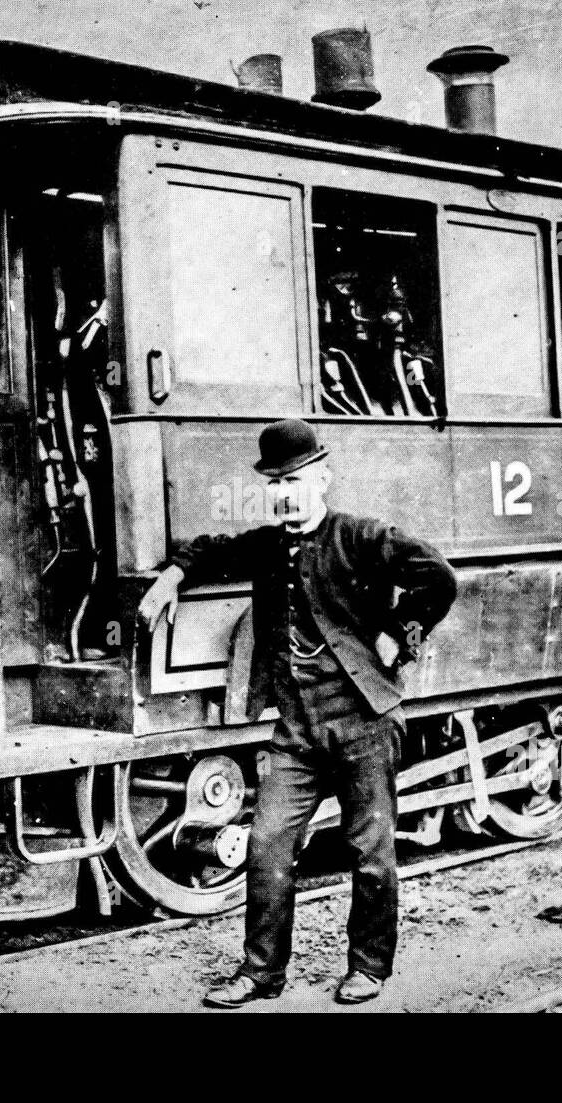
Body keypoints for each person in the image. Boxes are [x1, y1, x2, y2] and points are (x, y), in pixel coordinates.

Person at [138, 418, 457, 1007]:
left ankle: (367, 967)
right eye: (275, 484)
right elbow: (210, 550)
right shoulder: (266, 545)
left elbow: (437, 577)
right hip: (296, 732)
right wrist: (173, 578)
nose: (285, 493)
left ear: (322, 480)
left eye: (296, 480)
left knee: (371, 853)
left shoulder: (361, 537)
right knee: (266, 848)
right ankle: (261, 974)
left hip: (362, 720)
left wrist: (399, 633)